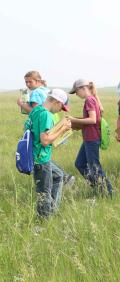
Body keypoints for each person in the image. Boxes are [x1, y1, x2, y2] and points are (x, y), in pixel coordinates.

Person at [26, 89, 71, 217]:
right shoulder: (46, 115)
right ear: (57, 102)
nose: (60, 110)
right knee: (44, 192)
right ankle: (44, 220)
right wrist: (62, 129)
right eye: (61, 107)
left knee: (58, 176)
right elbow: (45, 140)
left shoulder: (36, 110)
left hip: (35, 155)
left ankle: (53, 211)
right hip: (41, 159)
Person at [68, 79, 112, 196]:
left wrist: (73, 120)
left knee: (95, 167)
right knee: (79, 164)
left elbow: (92, 119)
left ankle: (108, 192)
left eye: (76, 92)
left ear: (83, 88)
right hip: (89, 138)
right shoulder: (93, 99)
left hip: (92, 138)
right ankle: (98, 187)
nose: (76, 94)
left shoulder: (89, 100)